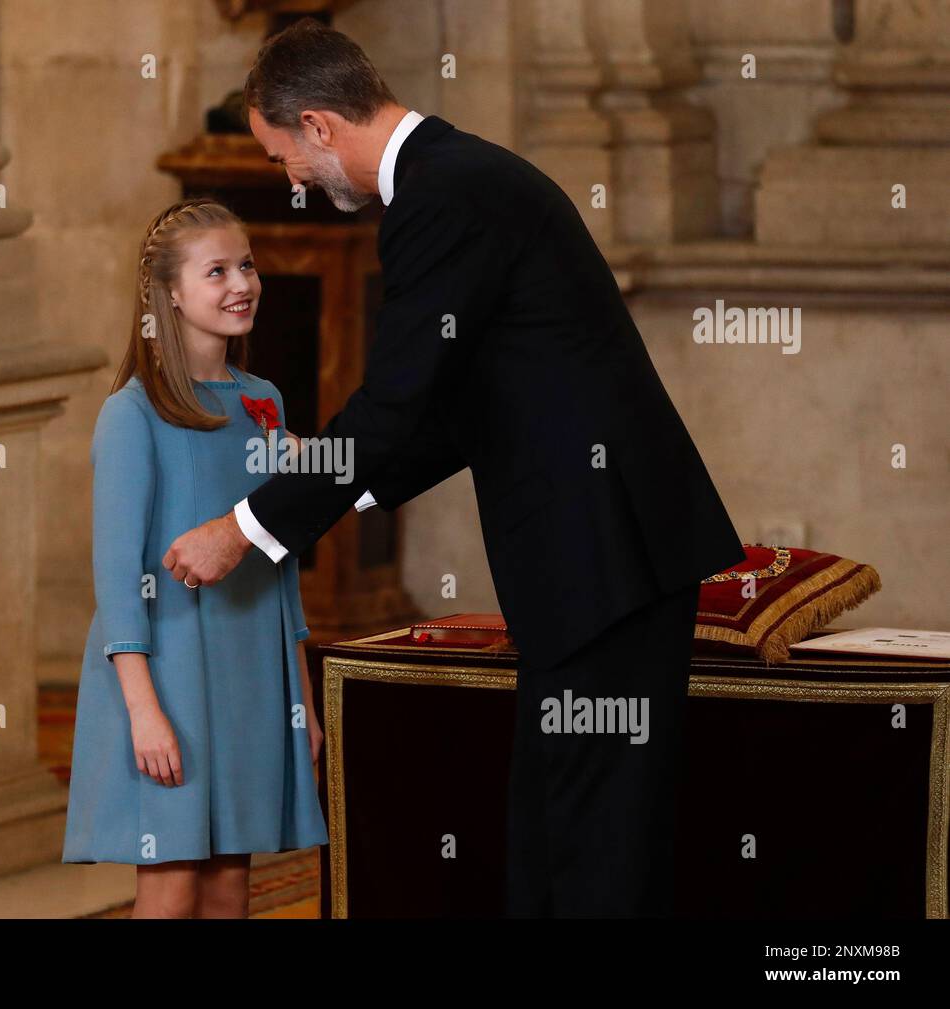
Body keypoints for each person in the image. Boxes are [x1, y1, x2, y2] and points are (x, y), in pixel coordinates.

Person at [164, 20, 745, 917]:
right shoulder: (456, 178)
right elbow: (445, 411)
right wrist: (324, 480)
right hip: (597, 560)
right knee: (558, 830)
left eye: (283, 156)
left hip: (602, 560)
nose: (290, 180)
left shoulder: (441, 198)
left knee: (595, 849)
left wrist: (245, 529)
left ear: (319, 125)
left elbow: (395, 407)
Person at [61, 197, 328, 918]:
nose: (242, 283)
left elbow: (280, 565)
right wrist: (144, 712)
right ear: (171, 293)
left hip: (248, 669)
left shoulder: (261, 402)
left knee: (228, 883)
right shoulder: (133, 412)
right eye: (217, 271)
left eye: (247, 264)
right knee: (173, 880)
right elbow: (117, 578)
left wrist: (300, 701)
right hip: (166, 678)